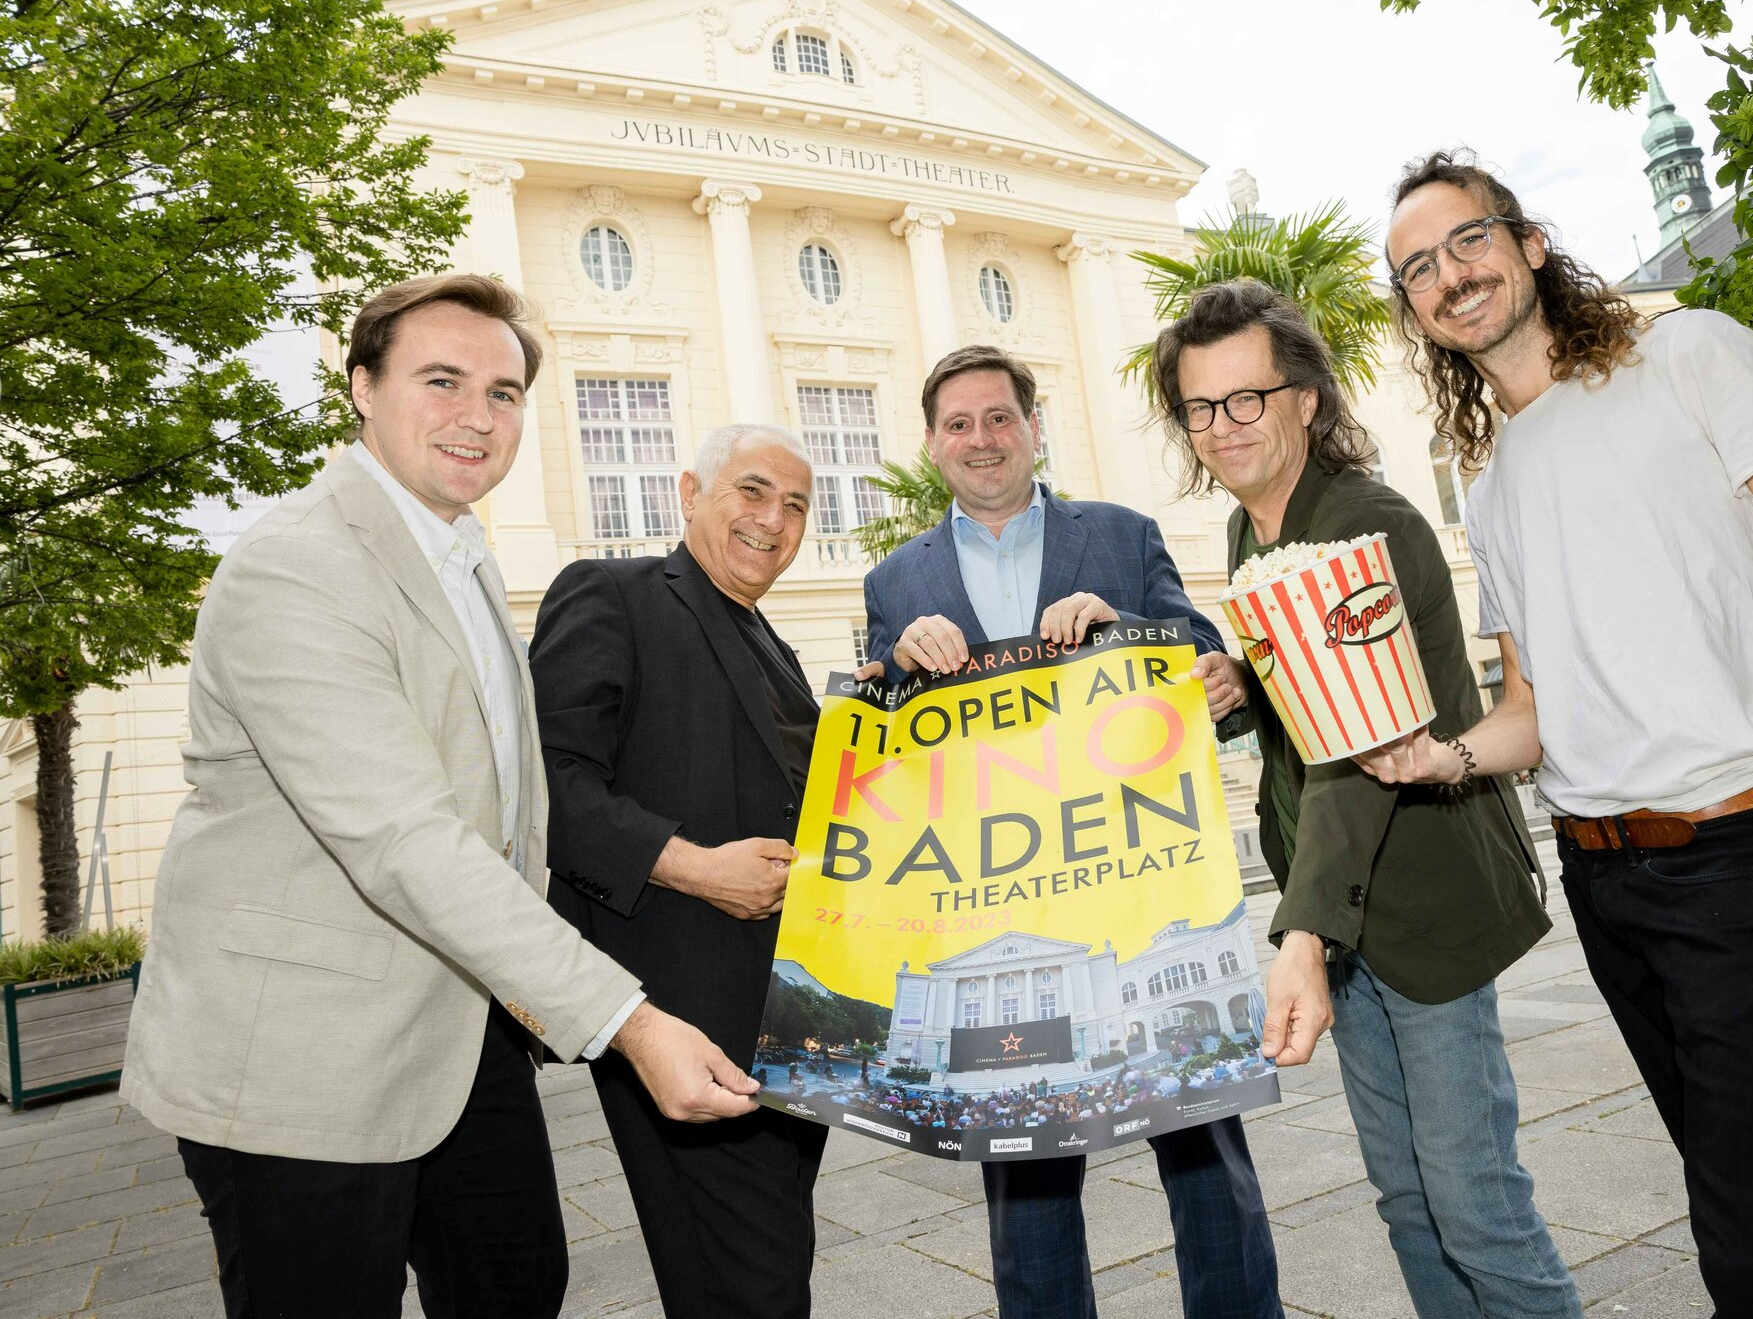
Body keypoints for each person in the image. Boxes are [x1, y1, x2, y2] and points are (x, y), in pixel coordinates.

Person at [123, 274, 756, 1319]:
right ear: (363, 387)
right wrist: (628, 1021)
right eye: (443, 380)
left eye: (503, 393)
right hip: (298, 1062)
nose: (477, 416)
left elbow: (510, 814)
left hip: (458, 1036)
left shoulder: (459, 556)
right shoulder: (300, 566)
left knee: (516, 1284)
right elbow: (405, 838)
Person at [1363, 150, 1753, 1317]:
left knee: (1752, 1254)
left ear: (1525, 243)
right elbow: (1530, 709)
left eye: (1465, 240)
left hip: (1734, 860)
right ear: (1413, 310)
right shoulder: (1494, 479)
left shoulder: (1688, 353)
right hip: (1603, 882)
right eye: (1416, 268)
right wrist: (1440, 757)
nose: (1447, 274)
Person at [1146, 278, 1579, 1318]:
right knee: (1404, 1200)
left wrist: (1297, 935)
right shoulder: (1254, 537)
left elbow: (1357, 749)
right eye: (1200, 408)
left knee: (1471, 1200)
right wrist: (1244, 688)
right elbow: (1309, 707)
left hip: (1418, 903)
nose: (1222, 427)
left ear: (1302, 398)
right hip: (1344, 914)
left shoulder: (1359, 525)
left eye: (1246, 398)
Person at [862, 345, 1282, 1319]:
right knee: (1024, 1185)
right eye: (958, 424)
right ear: (932, 444)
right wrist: (893, 670)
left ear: (1033, 426)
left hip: (1142, 892)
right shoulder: (895, 582)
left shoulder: (1121, 537)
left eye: (999, 417)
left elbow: (1212, 678)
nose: (981, 439)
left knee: (1208, 1157)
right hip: (993, 910)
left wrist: (1127, 627)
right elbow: (882, 765)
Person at [529, 423, 828, 1318]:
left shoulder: (768, 637)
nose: (774, 519)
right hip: (678, 1022)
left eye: (797, 504)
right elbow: (549, 787)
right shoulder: (611, 591)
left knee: (754, 1276)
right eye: (752, 490)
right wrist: (696, 868)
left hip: (788, 1021)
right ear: (690, 490)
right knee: (755, 1285)